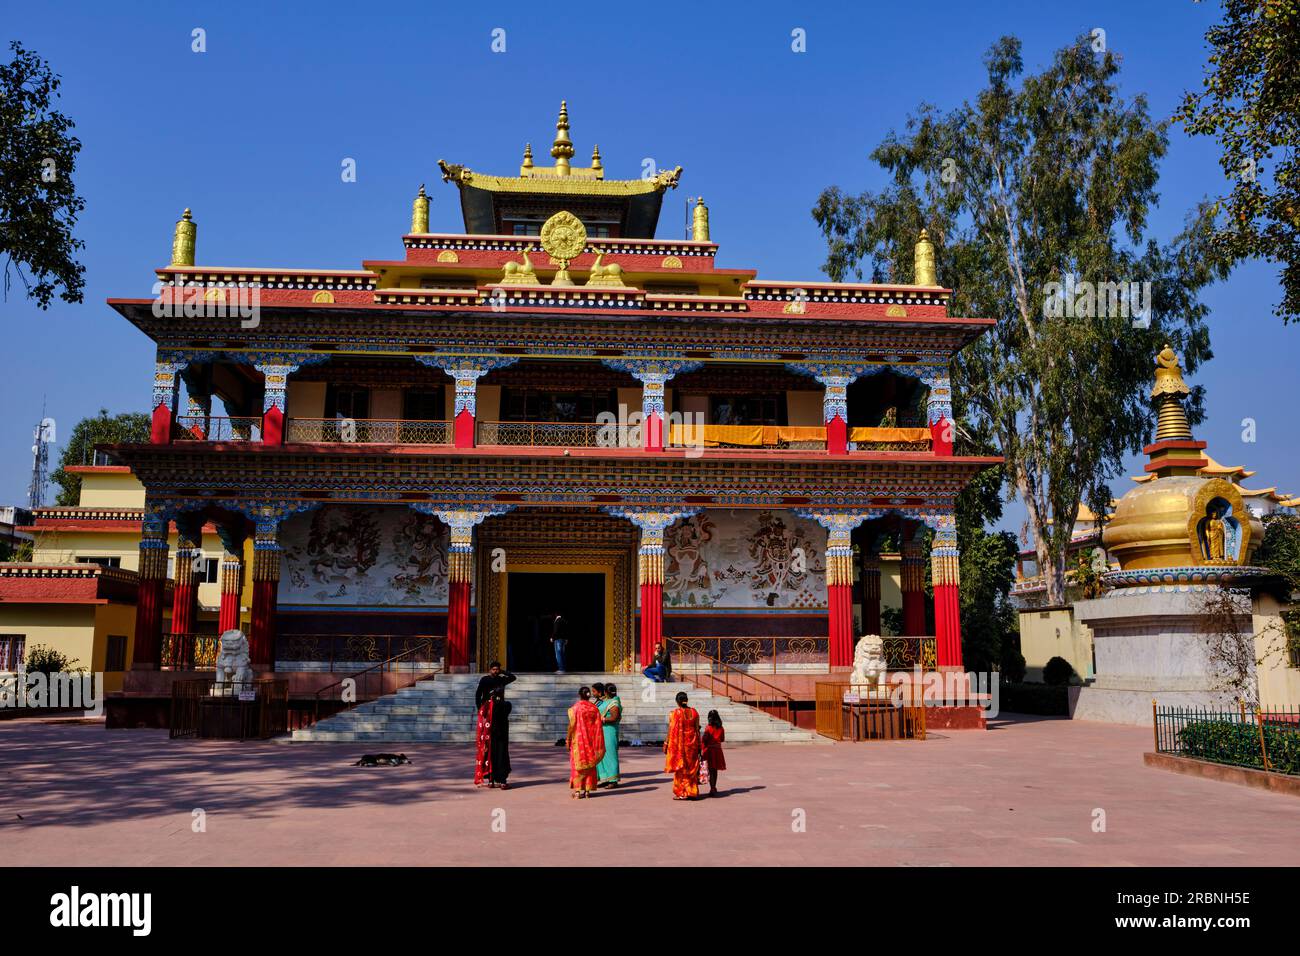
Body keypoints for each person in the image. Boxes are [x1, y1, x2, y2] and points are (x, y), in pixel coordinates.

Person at [566, 685, 605, 798]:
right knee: (590, 765)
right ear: (589, 695)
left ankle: (578, 791)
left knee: (577, 765)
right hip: (592, 741)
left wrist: (568, 738)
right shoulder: (594, 708)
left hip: (579, 741)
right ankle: (587, 791)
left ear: (579, 695)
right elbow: (598, 726)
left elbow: (572, 725)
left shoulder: (576, 708)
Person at [663, 691, 701, 801]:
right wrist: (699, 745)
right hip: (692, 745)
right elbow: (697, 730)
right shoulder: (695, 712)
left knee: (681, 769)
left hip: (680, 746)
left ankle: (682, 793)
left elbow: (671, 730)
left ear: (677, 702)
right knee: (691, 768)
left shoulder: (674, 713)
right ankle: (692, 792)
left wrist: (666, 743)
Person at [474, 686, 512, 789]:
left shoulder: (488, 705)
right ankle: (502, 781)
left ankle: (491, 781)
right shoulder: (507, 705)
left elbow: (483, 713)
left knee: (490, 756)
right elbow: (505, 711)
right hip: (502, 735)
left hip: (490, 735)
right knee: (501, 756)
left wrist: (491, 700)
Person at [596, 681, 622, 788]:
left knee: (610, 755)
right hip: (601, 731)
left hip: (609, 731)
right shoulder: (606, 701)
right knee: (601, 755)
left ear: (606, 692)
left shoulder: (614, 702)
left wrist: (602, 719)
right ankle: (605, 778)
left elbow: (614, 717)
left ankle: (613, 780)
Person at [701, 709, 726, 796]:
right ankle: (714, 787)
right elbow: (722, 739)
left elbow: (704, 739)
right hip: (718, 750)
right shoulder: (721, 728)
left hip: (710, 751)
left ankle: (712, 788)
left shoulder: (708, 727)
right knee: (715, 770)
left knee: (710, 770)